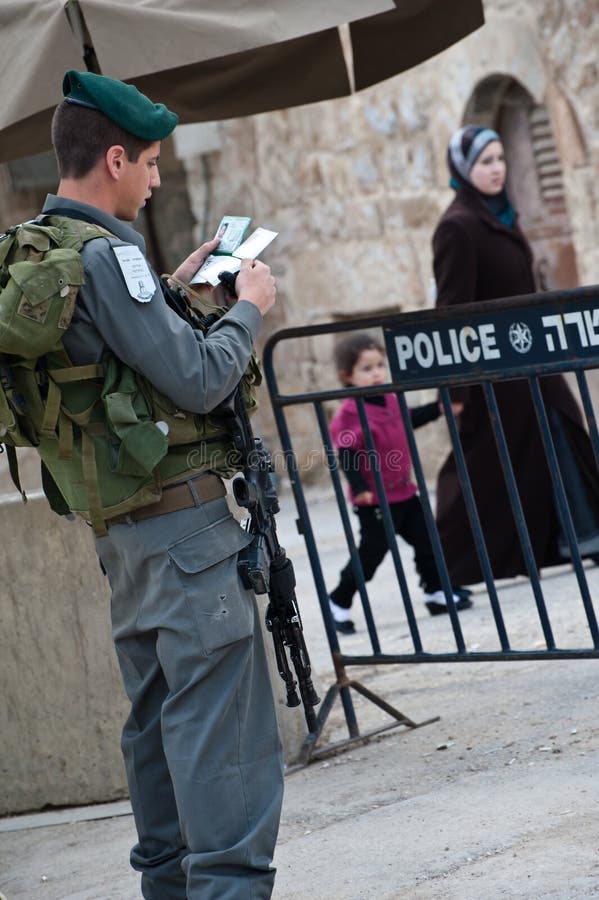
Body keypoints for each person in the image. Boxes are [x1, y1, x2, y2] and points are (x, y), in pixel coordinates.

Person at [38, 70, 284, 899]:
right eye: (148, 162)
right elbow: (201, 381)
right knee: (225, 747)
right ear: (114, 158)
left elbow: (103, 364)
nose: (155, 180)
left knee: (154, 732)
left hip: (124, 541)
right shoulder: (109, 254)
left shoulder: (49, 251)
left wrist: (171, 292)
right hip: (185, 540)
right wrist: (247, 306)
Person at [432, 125, 599, 587]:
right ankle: (446, 567)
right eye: (485, 161)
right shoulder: (458, 226)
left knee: (564, 437)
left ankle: (581, 537)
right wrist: (460, 387)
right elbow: (451, 311)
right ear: (464, 169)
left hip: (531, 358)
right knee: (490, 467)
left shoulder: (502, 215)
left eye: (500, 159)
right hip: (494, 374)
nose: (497, 169)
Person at [327, 333, 472, 633]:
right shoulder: (349, 414)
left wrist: (437, 410)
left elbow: (406, 418)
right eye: (367, 368)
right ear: (347, 376)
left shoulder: (391, 398)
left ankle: (435, 592)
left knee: (427, 541)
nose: (377, 373)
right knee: (372, 553)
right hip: (375, 501)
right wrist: (361, 488)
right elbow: (346, 452)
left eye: (380, 365)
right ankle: (338, 601)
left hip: (405, 493)